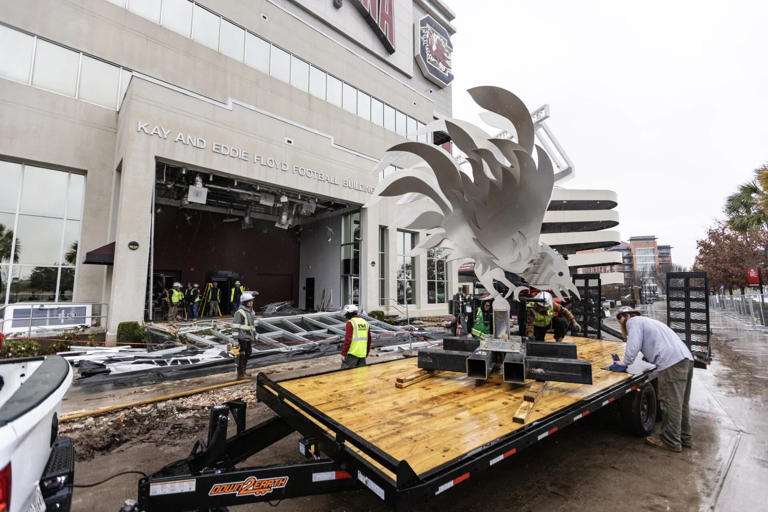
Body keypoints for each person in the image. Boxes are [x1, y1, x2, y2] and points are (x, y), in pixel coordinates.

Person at [614, 306, 694, 452]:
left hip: (671, 363)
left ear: (626, 316)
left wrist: (624, 362)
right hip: (685, 358)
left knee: (670, 404)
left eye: (620, 318)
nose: (621, 323)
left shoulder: (633, 322)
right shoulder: (647, 321)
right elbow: (657, 342)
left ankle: (671, 441)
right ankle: (685, 437)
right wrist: (650, 354)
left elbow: (633, 345)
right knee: (682, 403)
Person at [232, 291, 256, 379]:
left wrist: (255, 335)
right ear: (245, 302)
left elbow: (251, 326)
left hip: (248, 337)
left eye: (252, 301)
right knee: (241, 355)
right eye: (250, 301)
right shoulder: (240, 312)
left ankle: (244, 371)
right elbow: (235, 326)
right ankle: (240, 374)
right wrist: (235, 339)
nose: (252, 302)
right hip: (242, 337)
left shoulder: (250, 312)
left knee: (248, 353)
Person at [341, 304, 371, 369]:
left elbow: (348, 340)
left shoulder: (350, 322)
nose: (346, 316)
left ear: (350, 313)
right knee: (360, 376)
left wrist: (344, 353)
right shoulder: (365, 322)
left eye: (346, 314)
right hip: (362, 354)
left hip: (352, 354)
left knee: (346, 375)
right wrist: (367, 352)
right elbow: (369, 340)